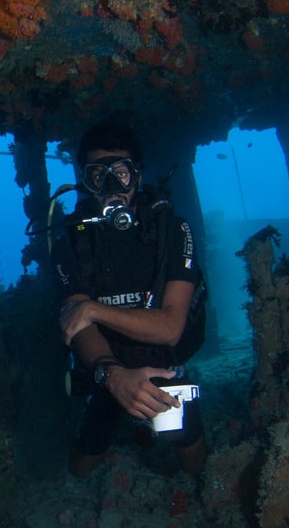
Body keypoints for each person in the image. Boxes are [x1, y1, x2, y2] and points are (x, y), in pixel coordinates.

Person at [53, 123, 207, 476]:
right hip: (108, 366)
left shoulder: (172, 230)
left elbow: (170, 327)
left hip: (163, 362)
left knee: (192, 453)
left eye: (120, 173)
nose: (111, 188)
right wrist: (112, 376)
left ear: (136, 176)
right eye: (97, 175)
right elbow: (75, 325)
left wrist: (92, 309)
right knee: (81, 464)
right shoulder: (70, 243)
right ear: (84, 181)